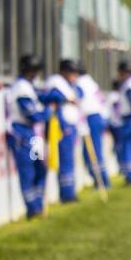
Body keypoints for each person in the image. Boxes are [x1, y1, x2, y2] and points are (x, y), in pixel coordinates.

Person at [7, 55, 48, 218]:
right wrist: (48, 112)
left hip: (32, 134)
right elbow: (33, 115)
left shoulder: (28, 86)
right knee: (27, 171)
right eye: (33, 70)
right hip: (22, 133)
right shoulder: (21, 88)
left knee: (40, 168)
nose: (35, 74)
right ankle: (32, 208)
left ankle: (38, 203)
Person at [38, 60, 84, 202]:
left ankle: (69, 191)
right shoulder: (55, 82)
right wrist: (63, 127)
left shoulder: (70, 84)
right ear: (64, 71)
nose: (74, 76)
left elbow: (79, 93)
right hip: (60, 127)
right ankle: (67, 194)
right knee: (63, 161)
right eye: (72, 72)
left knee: (69, 160)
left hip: (71, 126)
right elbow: (53, 101)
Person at [74, 66, 110, 189]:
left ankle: (102, 180)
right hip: (98, 116)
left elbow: (77, 97)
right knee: (94, 151)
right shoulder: (91, 82)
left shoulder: (80, 83)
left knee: (92, 152)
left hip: (91, 117)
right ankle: (101, 179)